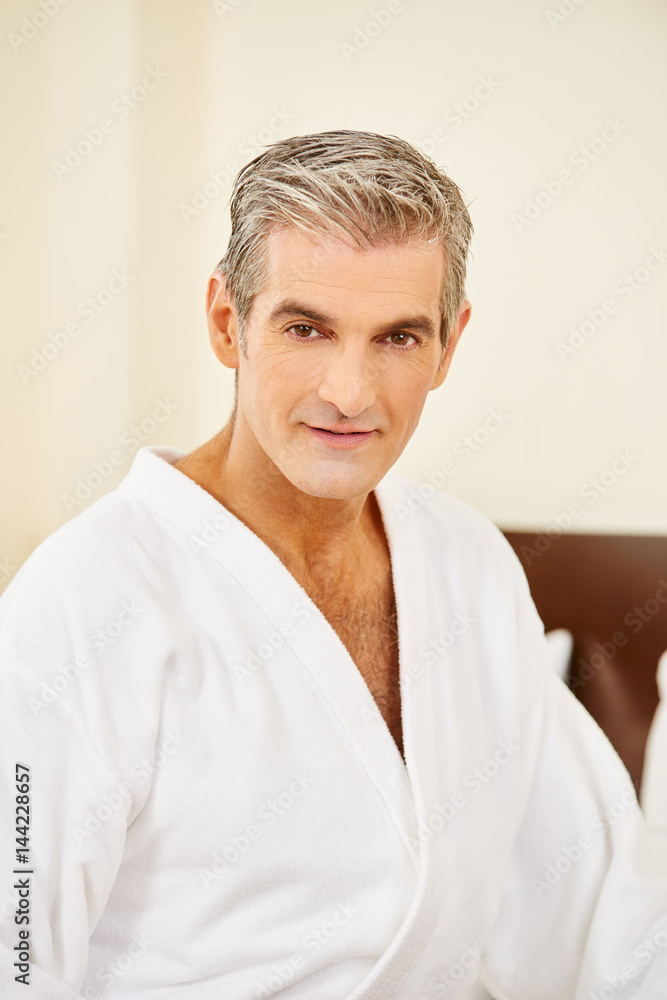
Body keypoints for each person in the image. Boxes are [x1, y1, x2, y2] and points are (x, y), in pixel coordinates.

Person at [1, 130, 665, 1000]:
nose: (349, 394)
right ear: (225, 322)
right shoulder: (83, 600)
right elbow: (18, 954)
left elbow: (592, 899)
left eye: (396, 338)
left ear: (448, 346)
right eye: (306, 328)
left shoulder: (466, 565)